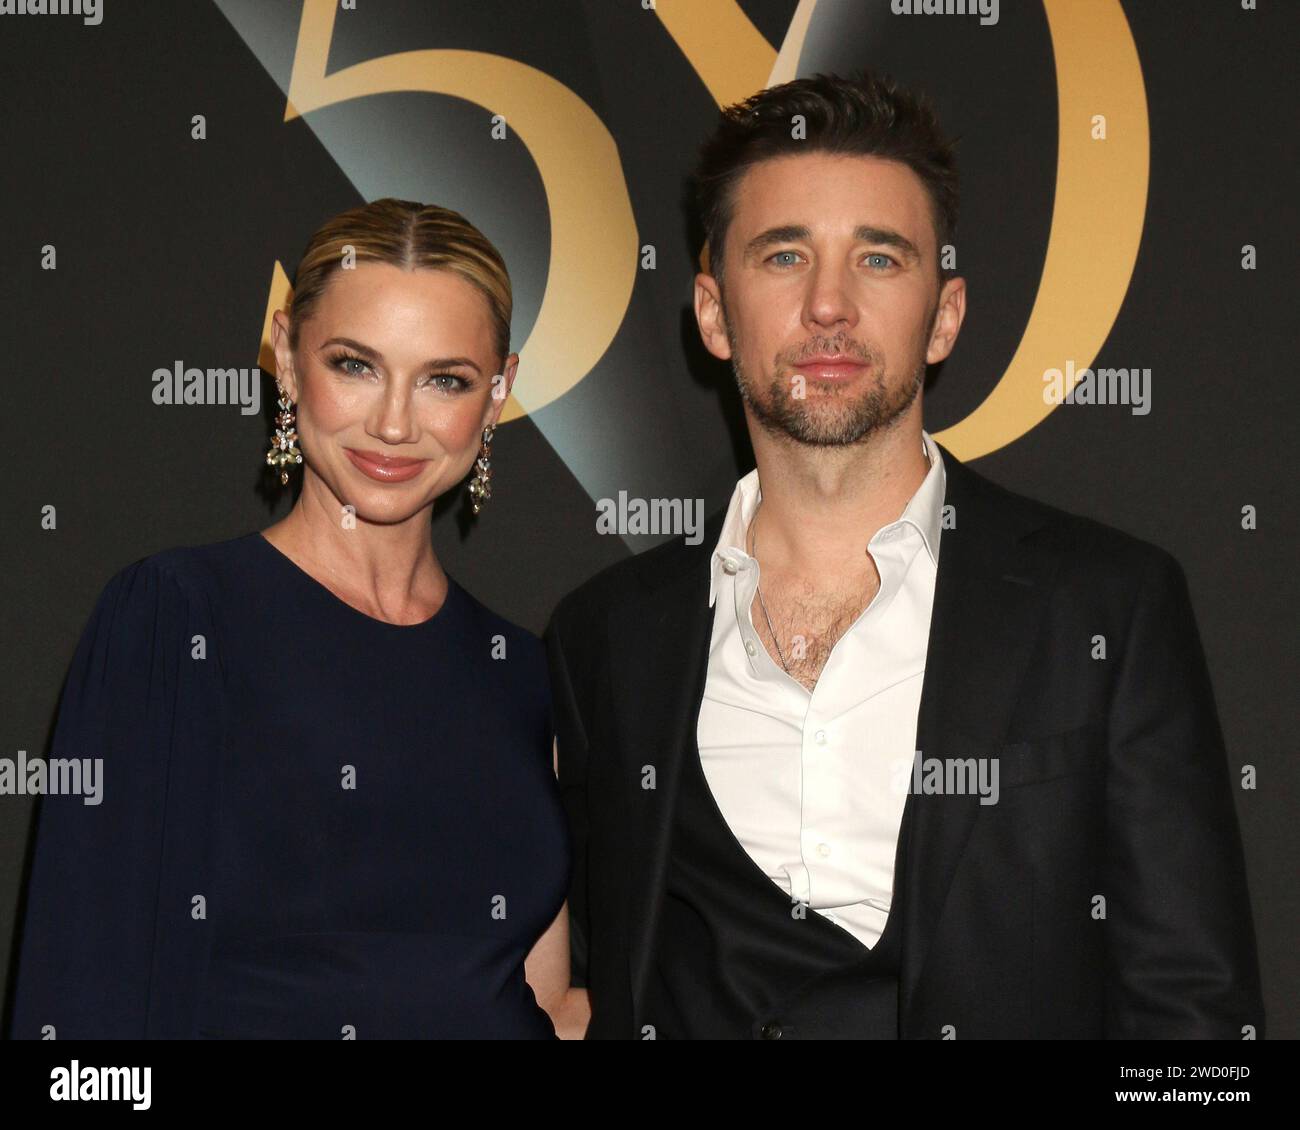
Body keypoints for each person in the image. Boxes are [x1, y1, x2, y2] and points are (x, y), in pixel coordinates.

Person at [544, 71, 1264, 1039]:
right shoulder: (607, 633)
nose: (829, 304)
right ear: (714, 313)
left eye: (878, 260)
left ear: (945, 312)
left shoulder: (1103, 605)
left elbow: (1194, 1007)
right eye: (784, 254)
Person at [10, 198, 588, 1039]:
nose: (393, 422)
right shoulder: (178, 620)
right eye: (355, 365)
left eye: (445, 380)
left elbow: (548, 1007)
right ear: (285, 354)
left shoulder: (523, 671)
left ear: (498, 393)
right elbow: (84, 997)